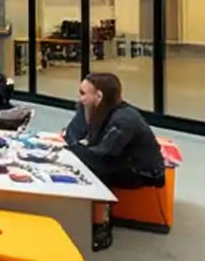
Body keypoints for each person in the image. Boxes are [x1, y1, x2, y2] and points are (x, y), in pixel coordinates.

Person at [64, 73, 165, 251]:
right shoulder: (90, 107)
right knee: (81, 160)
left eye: (83, 93)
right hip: (118, 159)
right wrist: (75, 145)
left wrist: (73, 151)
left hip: (141, 170)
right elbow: (72, 134)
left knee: (95, 170)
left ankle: (102, 226)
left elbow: (104, 154)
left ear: (99, 96)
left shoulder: (125, 119)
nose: (80, 98)